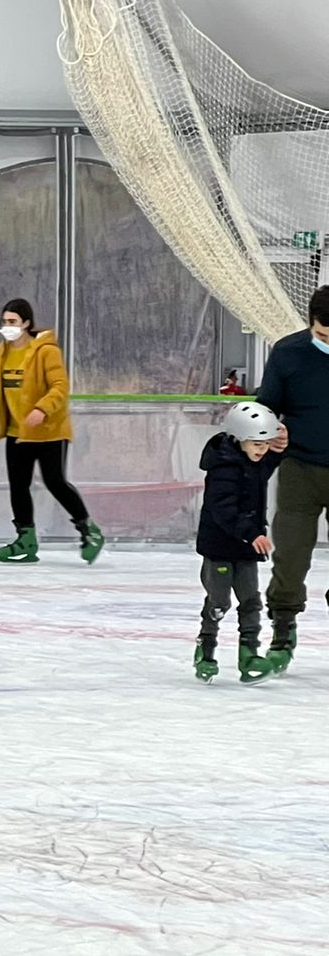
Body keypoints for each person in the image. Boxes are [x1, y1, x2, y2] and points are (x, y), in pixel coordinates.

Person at [0, 299, 104, 565]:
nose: (7, 327)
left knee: (54, 481)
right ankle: (26, 538)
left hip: (49, 431)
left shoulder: (46, 351)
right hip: (17, 432)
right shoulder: (3, 352)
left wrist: (42, 409)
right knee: (18, 486)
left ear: (26, 323)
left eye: (12, 322)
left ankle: (88, 530)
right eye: (4, 322)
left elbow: (59, 386)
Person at [258, 284, 329, 673]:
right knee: (290, 555)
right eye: (322, 336)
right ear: (310, 325)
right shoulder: (288, 353)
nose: (328, 342)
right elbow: (266, 408)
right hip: (300, 470)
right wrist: (271, 430)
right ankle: (283, 630)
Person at [193, 401, 286, 684]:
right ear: (239, 439)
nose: (262, 450)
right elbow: (223, 510)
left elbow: (270, 459)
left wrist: (282, 442)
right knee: (219, 602)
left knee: (251, 601)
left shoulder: (254, 460)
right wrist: (252, 533)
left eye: (265, 444)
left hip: (245, 548)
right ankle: (206, 649)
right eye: (257, 444)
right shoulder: (223, 468)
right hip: (220, 548)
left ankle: (249, 656)